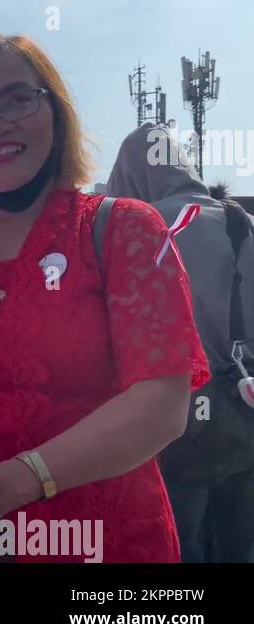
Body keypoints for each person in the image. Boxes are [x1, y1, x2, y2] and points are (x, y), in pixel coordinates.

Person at [0, 34, 210, 562]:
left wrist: (15, 481)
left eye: (17, 99)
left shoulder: (124, 231)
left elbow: (162, 405)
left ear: (55, 113)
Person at [107, 124, 254, 562]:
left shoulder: (139, 229)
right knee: (240, 545)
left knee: (178, 545)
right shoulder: (239, 222)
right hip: (244, 412)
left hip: (175, 422)